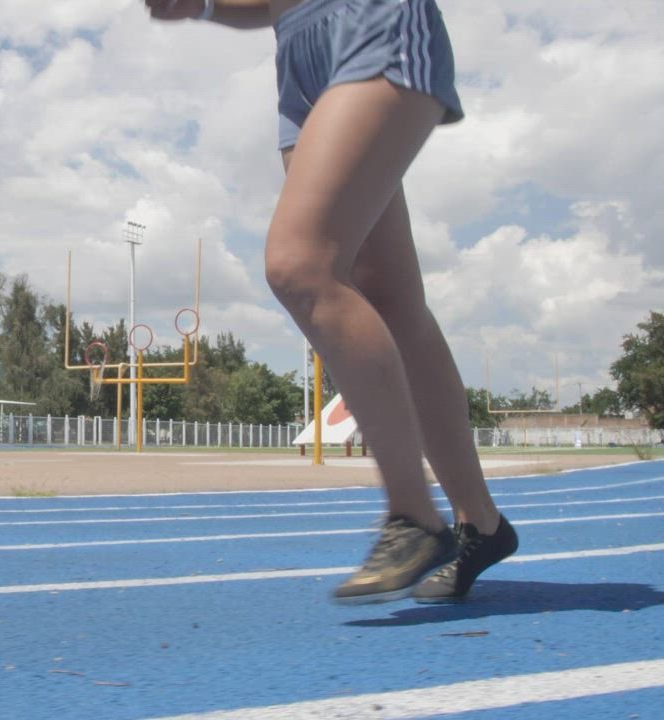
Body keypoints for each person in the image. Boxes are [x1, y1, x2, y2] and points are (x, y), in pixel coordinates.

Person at [145, 0, 517, 603]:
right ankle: (483, 524)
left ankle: (414, 516)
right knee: (391, 300)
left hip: (377, 19)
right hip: (300, 54)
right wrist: (205, 6)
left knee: (300, 264)